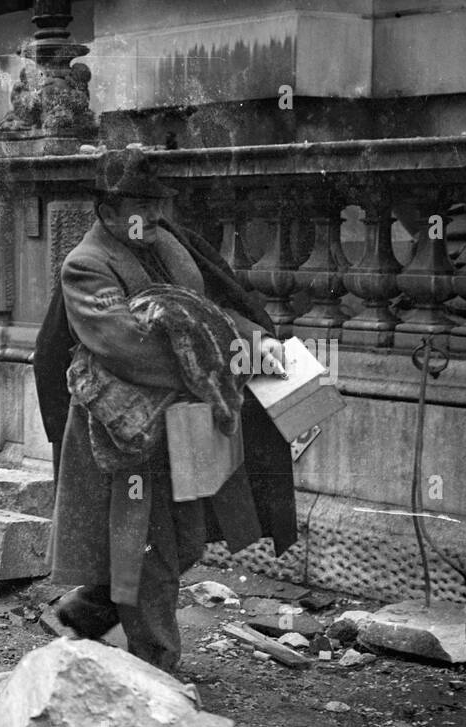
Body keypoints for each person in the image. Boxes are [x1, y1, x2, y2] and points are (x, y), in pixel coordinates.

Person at [33, 147, 298, 671]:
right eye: (142, 205)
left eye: (158, 203)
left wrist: (255, 340)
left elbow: (209, 310)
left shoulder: (168, 246)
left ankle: (82, 617)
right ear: (108, 210)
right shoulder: (86, 265)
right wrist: (219, 357)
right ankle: (158, 668)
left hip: (180, 423)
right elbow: (129, 346)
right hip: (125, 430)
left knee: (183, 538)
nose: (155, 215)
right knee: (146, 545)